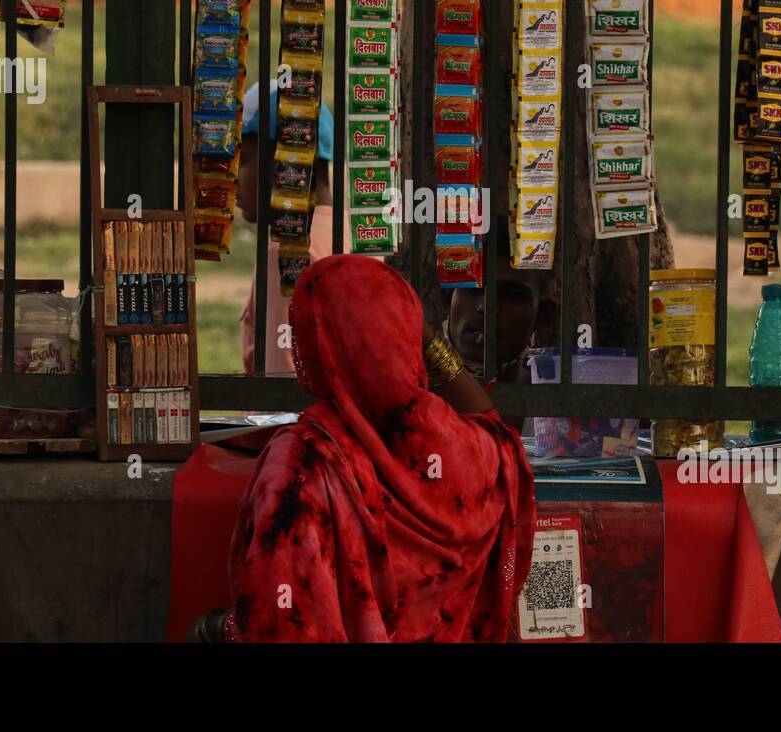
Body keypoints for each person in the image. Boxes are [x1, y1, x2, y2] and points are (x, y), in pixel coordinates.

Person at [218, 255, 535, 642]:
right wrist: (429, 340)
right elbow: (495, 429)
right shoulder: (464, 448)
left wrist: (214, 628)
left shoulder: (303, 460)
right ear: (408, 334)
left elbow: (276, 621)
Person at [236, 79, 334, 375]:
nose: (231, 179)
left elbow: (281, 393)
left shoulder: (285, 250)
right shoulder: (350, 235)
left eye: (243, 160)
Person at [445, 233, 558, 385]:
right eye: (471, 289)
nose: (485, 308)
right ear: (447, 299)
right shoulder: (409, 388)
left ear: (543, 316)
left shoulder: (555, 400)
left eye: (511, 295)